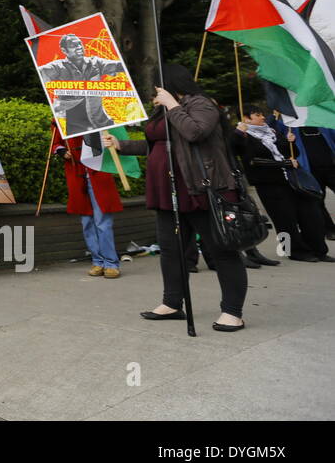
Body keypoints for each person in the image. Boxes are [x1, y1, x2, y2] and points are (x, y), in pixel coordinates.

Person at [103, 64, 247, 332]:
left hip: (201, 189)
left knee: (221, 250)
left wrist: (172, 105)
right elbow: (156, 144)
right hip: (167, 192)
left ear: (170, 84)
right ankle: (172, 303)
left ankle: (232, 311)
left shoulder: (202, 104)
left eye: (158, 87)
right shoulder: (163, 109)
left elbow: (195, 133)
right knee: (171, 250)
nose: (155, 92)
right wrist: (121, 145)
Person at [229, 108, 332, 263]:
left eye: (261, 114)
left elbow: (292, 154)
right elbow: (235, 149)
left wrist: (291, 142)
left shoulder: (273, 132)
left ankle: (318, 249)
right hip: (269, 183)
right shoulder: (243, 135)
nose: (263, 117)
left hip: (291, 179)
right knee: (284, 219)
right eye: (258, 114)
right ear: (246, 118)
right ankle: (292, 250)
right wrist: (238, 133)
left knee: (311, 214)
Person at [56, 133, 123, 278]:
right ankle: (97, 261)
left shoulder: (96, 115)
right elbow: (56, 143)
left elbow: (113, 136)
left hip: (99, 171)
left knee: (102, 221)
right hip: (77, 173)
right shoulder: (60, 119)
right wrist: (61, 150)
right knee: (87, 221)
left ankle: (111, 263)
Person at [39, 34, 125, 135]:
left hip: (103, 123)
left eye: (80, 44)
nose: (79, 47)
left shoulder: (96, 62)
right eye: (73, 45)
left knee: (117, 146)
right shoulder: (57, 67)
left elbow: (118, 66)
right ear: (64, 50)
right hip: (76, 128)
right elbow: (40, 72)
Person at [287, 122, 335, 238]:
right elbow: (272, 125)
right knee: (318, 201)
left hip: (331, 167)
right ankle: (330, 230)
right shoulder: (291, 126)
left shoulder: (322, 123)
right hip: (310, 170)